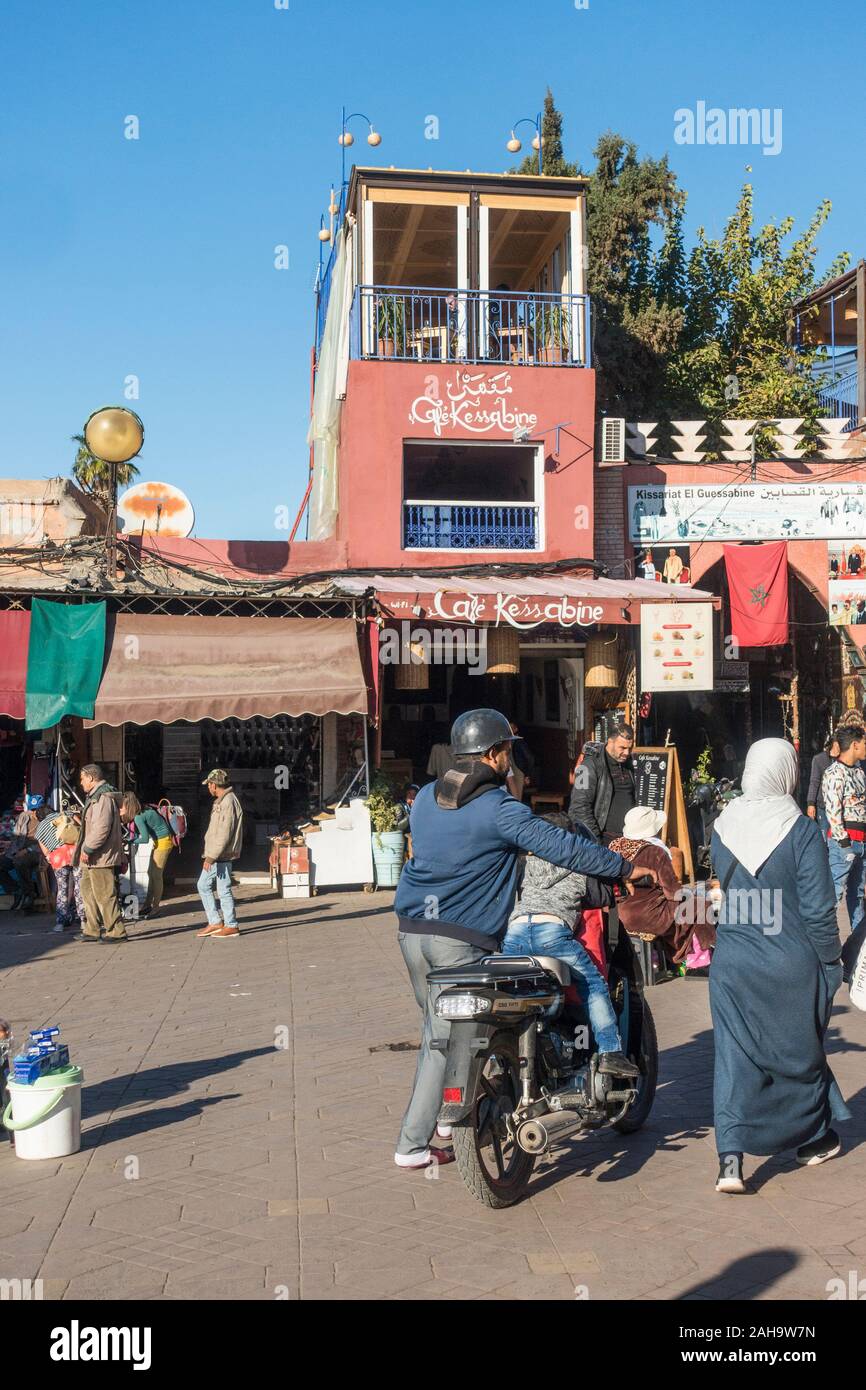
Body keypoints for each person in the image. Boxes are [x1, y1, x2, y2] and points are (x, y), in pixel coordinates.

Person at [392, 708, 656, 1170]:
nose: (511, 760)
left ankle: (432, 1133)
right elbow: (563, 846)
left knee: (439, 1036)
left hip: (412, 930)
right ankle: (436, 1134)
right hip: (461, 937)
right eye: (508, 752)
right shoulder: (497, 808)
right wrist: (625, 867)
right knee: (470, 1032)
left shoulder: (429, 797)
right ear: (494, 754)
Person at [709, 738, 849, 1194]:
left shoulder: (723, 825)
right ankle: (811, 1138)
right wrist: (832, 961)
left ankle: (730, 1160)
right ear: (786, 773)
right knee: (800, 1055)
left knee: (733, 1059)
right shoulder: (801, 831)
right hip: (790, 964)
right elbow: (818, 910)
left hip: (732, 964)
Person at [502, 812, 638, 1078]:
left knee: (511, 993)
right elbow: (603, 895)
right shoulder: (578, 866)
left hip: (515, 933)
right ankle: (611, 1052)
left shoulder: (524, 865)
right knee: (593, 985)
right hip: (552, 932)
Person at [821, 724, 866, 976]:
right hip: (844, 844)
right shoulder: (834, 773)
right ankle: (826, 953)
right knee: (834, 895)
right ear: (855, 744)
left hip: (862, 841)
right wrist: (843, 842)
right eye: (864, 742)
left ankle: (857, 953)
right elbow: (832, 811)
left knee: (857, 898)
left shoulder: (859, 771)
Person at [73, 764, 127, 943]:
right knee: (88, 892)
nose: (81, 783)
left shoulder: (102, 798)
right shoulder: (95, 796)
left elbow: (101, 828)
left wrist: (88, 848)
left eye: (82, 778)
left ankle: (116, 931)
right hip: (92, 857)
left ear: (90, 778)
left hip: (100, 856)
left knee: (104, 894)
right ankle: (92, 929)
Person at [569, 722, 637, 846]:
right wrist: (596, 841)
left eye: (630, 748)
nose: (627, 753)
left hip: (630, 837)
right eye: (622, 748)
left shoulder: (629, 764)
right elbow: (578, 806)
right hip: (603, 838)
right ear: (610, 742)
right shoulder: (586, 766)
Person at [196, 769, 244, 939]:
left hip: (221, 855)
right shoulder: (223, 801)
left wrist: (211, 856)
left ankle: (230, 924)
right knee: (209, 886)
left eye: (209, 784)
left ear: (214, 785)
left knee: (218, 888)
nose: (208, 788)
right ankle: (217, 921)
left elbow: (224, 833)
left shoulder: (227, 802)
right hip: (219, 854)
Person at [119, 793, 174, 919]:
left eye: (122, 807)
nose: (120, 809)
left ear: (128, 807)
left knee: (156, 876)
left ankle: (155, 908)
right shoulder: (142, 811)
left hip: (164, 842)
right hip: (159, 841)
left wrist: (130, 841)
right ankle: (147, 906)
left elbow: (143, 839)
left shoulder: (138, 817)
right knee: (150, 873)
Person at [806, 733, 837, 835]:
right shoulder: (819, 759)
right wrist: (811, 804)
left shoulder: (844, 759)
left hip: (840, 805)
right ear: (835, 743)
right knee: (824, 836)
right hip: (823, 806)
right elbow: (814, 782)